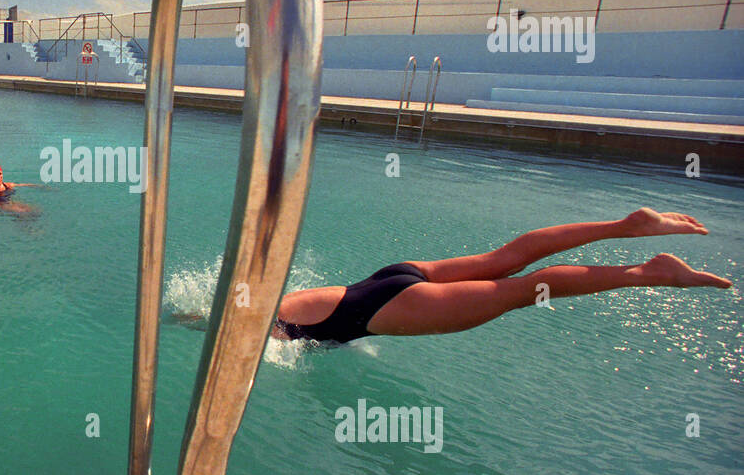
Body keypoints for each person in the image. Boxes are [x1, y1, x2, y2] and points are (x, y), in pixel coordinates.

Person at [272, 208, 731, 345]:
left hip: (384, 308)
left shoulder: (256, 335)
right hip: (386, 279)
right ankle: (626, 226)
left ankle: (647, 273)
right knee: (506, 258)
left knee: (523, 291)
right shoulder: (273, 303)